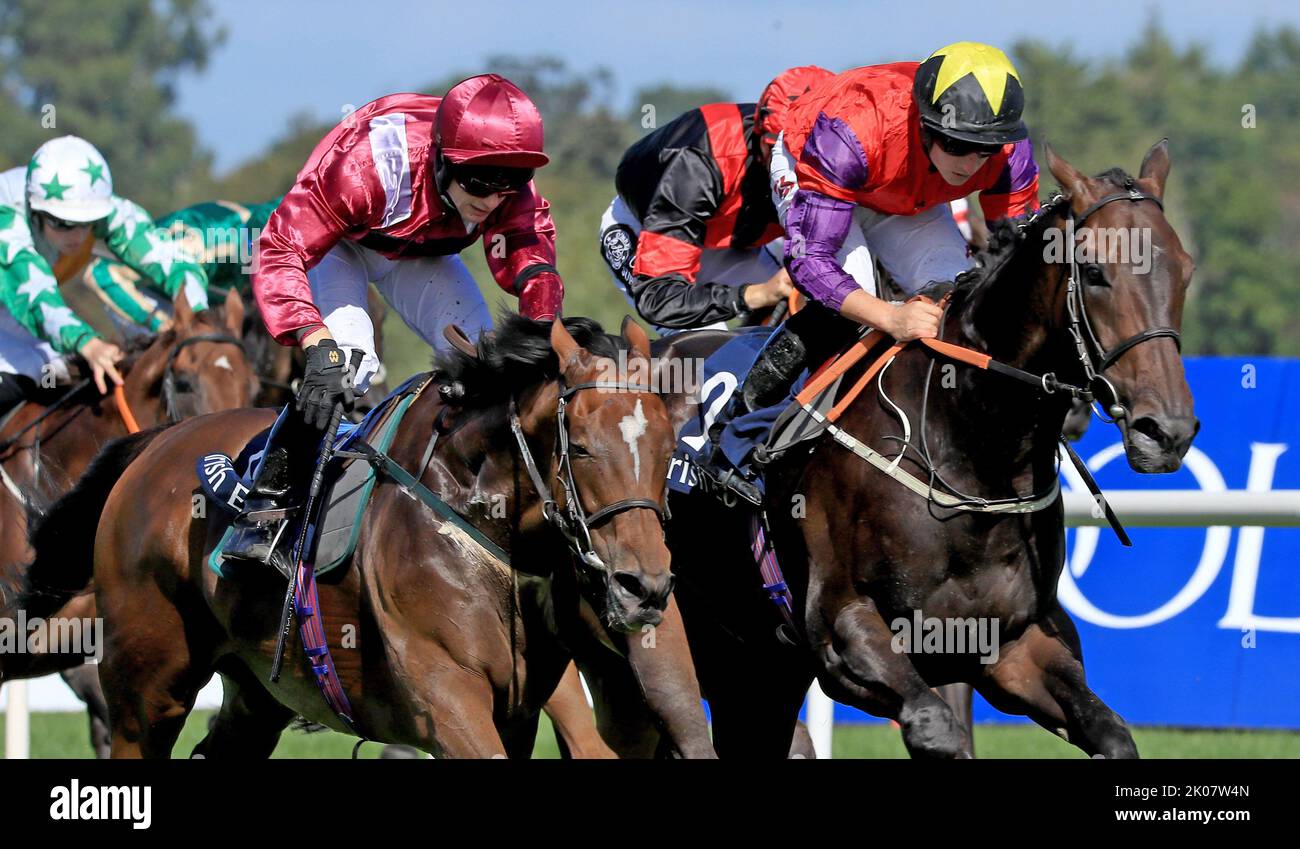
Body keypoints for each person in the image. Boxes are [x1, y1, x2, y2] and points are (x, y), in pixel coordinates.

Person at [225, 74, 564, 565]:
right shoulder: (366, 168)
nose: (492, 200)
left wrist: (540, 337)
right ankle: (264, 501)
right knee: (348, 366)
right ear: (443, 157)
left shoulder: (506, 187)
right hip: (340, 246)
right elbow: (279, 249)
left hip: (421, 253)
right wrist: (314, 339)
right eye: (477, 184)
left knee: (493, 369)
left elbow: (534, 269)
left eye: (507, 186)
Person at [698, 42, 1041, 504]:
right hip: (815, 163)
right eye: (957, 144)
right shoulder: (852, 128)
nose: (969, 163)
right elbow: (810, 263)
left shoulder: (1010, 153)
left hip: (902, 188)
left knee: (960, 299)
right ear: (924, 122)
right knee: (850, 299)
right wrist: (891, 317)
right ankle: (735, 437)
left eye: (984, 149)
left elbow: (1016, 262)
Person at [598, 66, 833, 334]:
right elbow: (660, 298)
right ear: (760, 136)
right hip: (650, 235)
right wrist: (755, 295)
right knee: (707, 346)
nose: (791, 167)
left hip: (739, 241)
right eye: (780, 150)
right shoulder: (693, 167)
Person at [0, 135, 209, 409]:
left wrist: (197, 318)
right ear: (36, 211)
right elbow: (36, 297)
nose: (76, 235)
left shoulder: (97, 205)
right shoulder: (8, 218)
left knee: (64, 370)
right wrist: (86, 342)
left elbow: (173, 260)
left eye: (87, 223)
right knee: (35, 368)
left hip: (12, 309)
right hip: (21, 301)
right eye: (62, 223)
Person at [82, 198, 281, 337]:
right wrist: (161, 324)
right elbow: (101, 273)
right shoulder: (201, 246)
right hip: (155, 300)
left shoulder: (274, 221)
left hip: (209, 298)